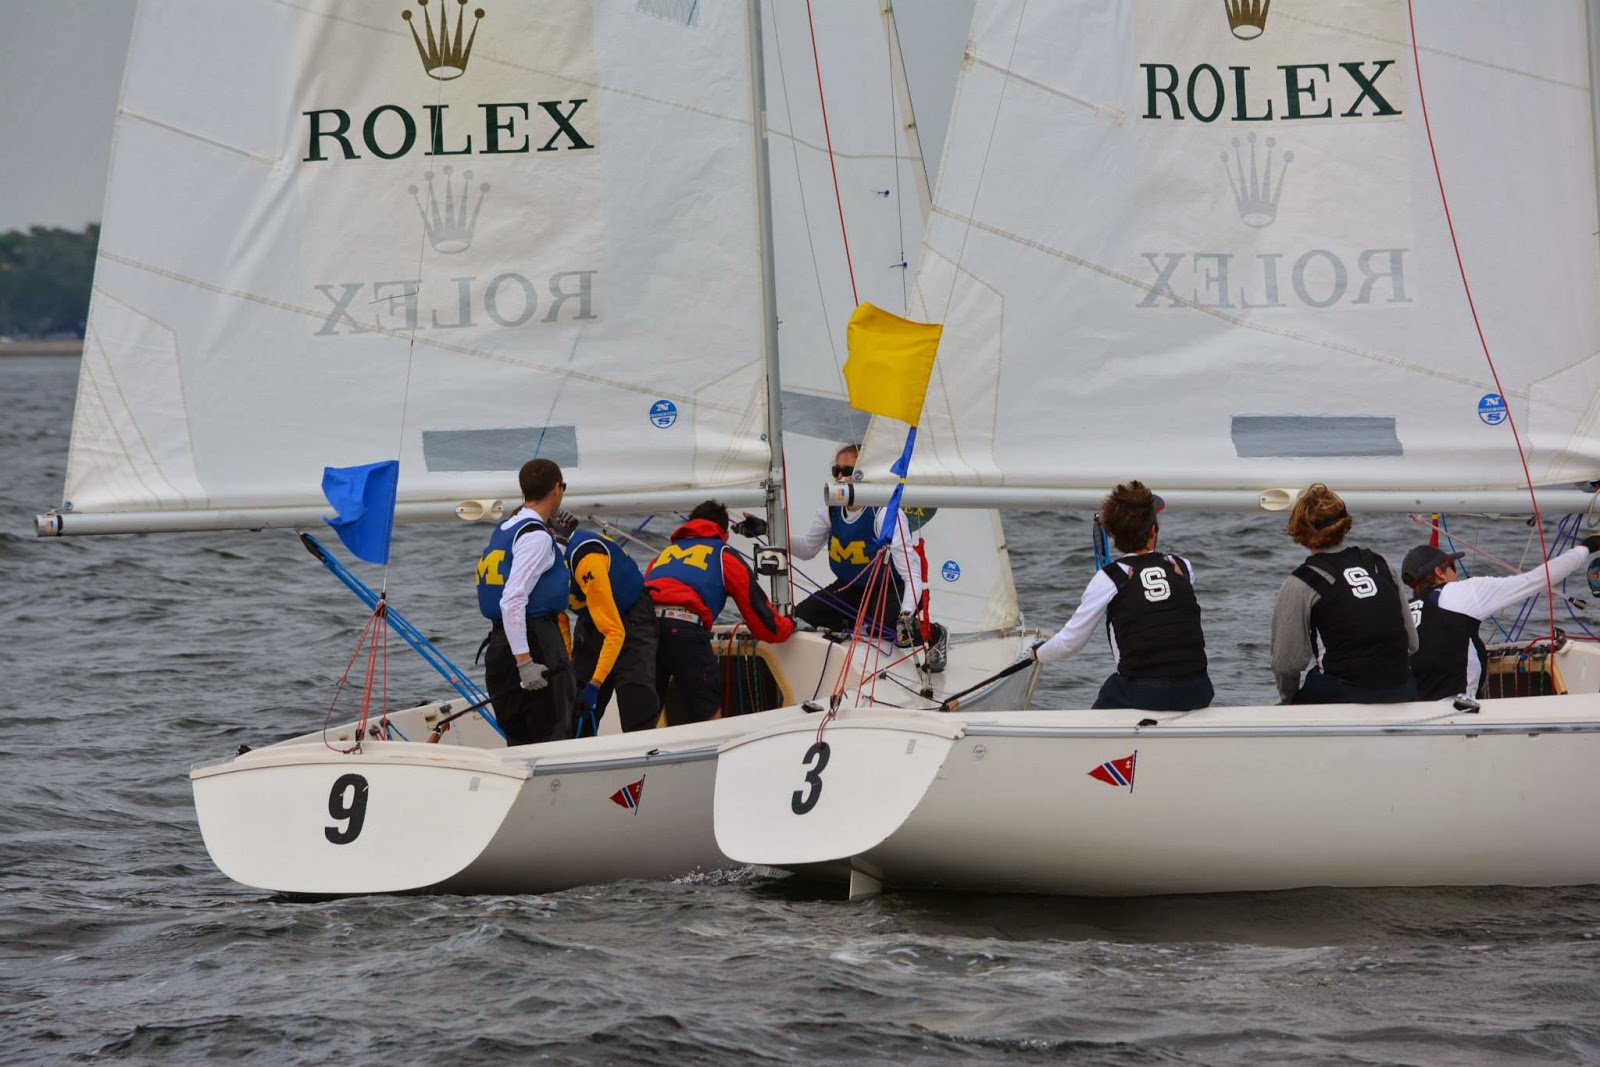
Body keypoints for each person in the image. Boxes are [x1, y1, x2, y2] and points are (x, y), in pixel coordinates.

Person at [1031, 481, 1213, 710]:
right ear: (1153, 531)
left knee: (1108, 695)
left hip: (1142, 693)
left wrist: (1037, 654)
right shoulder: (1183, 567)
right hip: (1199, 690)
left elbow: (1070, 643)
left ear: (1115, 536)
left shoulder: (1109, 579)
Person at [790, 442, 945, 670]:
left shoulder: (885, 514)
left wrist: (907, 612)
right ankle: (853, 628)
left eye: (849, 472)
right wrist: (767, 532)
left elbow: (911, 572)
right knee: (800, 617)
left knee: (885, 630)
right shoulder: (831, 508)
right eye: (837, 471)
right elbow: (806, 549)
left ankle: (936, 634)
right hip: (851, 587)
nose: (841, 477)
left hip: (890, 586)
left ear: (866, 475)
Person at [644, 500, 795, 725]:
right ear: (724, 534)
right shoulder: (723, 554)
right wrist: (789, 625)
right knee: (708, 717)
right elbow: (765, 624)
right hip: (684, 629)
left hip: (644, 629)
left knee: (647, 712)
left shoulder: (663, 556)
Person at [1403, 534, 1600, 701]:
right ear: (1439, 572)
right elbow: (1536, 579)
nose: (1456, 575)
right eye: (1452, 567)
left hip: (1417, 705)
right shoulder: (1460, 592)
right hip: (1455, 708)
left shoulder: (1406, 610)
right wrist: (1586, 548)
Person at [1271, 483, 1417, 704]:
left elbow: (1286, 664)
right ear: (1345, 523)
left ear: (1298, 529)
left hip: (1344, 695)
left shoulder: (1301, 582)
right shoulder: (1381, 564)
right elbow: (1412, 644)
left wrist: (1289, 700)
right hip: (1402, 689)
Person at [475, 458, 576, 745]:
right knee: (553, 732)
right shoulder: (535, 535)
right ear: (556, 489)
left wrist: (561, 542)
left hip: (501, 644)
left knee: (519, 735)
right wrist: (525, 663)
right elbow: (513, 599)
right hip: (533, 643)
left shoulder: (508, 528)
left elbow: (534, 569)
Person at [566, 525, 660, 734]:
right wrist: (567, 666)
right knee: (576, 713)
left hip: (631, 620)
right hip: (591, 623)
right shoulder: (537, 567)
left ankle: (642, 759)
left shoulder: (585, 559)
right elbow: (558, 617)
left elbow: (615, 631)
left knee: (636, 703)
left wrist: (595, 684)